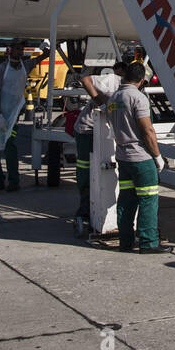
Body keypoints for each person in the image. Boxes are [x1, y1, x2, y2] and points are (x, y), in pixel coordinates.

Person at [105, 62, 169, 253]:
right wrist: (157, 156)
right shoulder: (137, 98)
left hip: (123, 157)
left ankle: (125, 241)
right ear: (142, 80)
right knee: (148, 200)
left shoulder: (113, 98)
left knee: (126, 200)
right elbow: (147, 130)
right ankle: (148, 242)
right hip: (141, 158)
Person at [73, 60, 127, 227]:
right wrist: (100, 103)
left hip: (104, 130)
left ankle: (96, 209)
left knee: (103, 170)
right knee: (86, 170)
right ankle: (84, 210)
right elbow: (86, 80)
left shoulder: (133, 90)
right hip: (87, 129)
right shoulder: (113, 81)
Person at [0, 41, 29, 192]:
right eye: (18, 49)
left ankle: (14, 181)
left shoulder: (25, 66)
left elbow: (38, 60)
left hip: (13, 114)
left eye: (22, 50)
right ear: (10, 51)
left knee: (10, 145)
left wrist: (46, 50)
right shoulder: (1, 69)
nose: (20, 53)